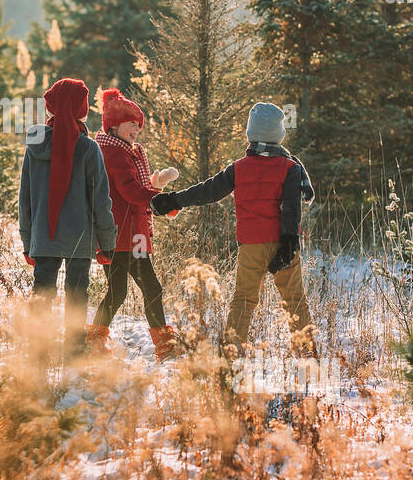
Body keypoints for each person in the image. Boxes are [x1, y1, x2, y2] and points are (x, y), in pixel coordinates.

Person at [151, 102, 315, 353]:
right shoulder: (290, 168)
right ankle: (307, 355)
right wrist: (289, 243)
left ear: (251, 133)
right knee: (294, 301)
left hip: (251, 245)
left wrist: (174, 200)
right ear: (278, 134)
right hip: (284, 244)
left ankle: (231, 355)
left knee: (243, 300)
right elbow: (291, 208)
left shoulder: (238, 168)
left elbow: (208, 191)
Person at [18, 78, 117, 355]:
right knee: (76, 295)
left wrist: (28, 240)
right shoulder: (87, 148)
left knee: (43, 293)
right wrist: (107, 243)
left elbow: (24, 198)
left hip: (43, 235)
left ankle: (38, 350)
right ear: (81, 111)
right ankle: (74, 353)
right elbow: (101, 200)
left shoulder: (34, 146)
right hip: (79, 238)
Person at [91, 88, 182, 362]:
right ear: (114, 124)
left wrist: (153, 190)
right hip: (127, 235)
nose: (137, 129)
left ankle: (93, 341)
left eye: (139, 125)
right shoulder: (115, 154)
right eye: (132, 124)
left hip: (122, 234)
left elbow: (135, 190)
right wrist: (164, 200)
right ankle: (164, 346)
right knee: (151, 287)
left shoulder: (124, 151)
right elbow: (131, 192)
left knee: (117, 291)